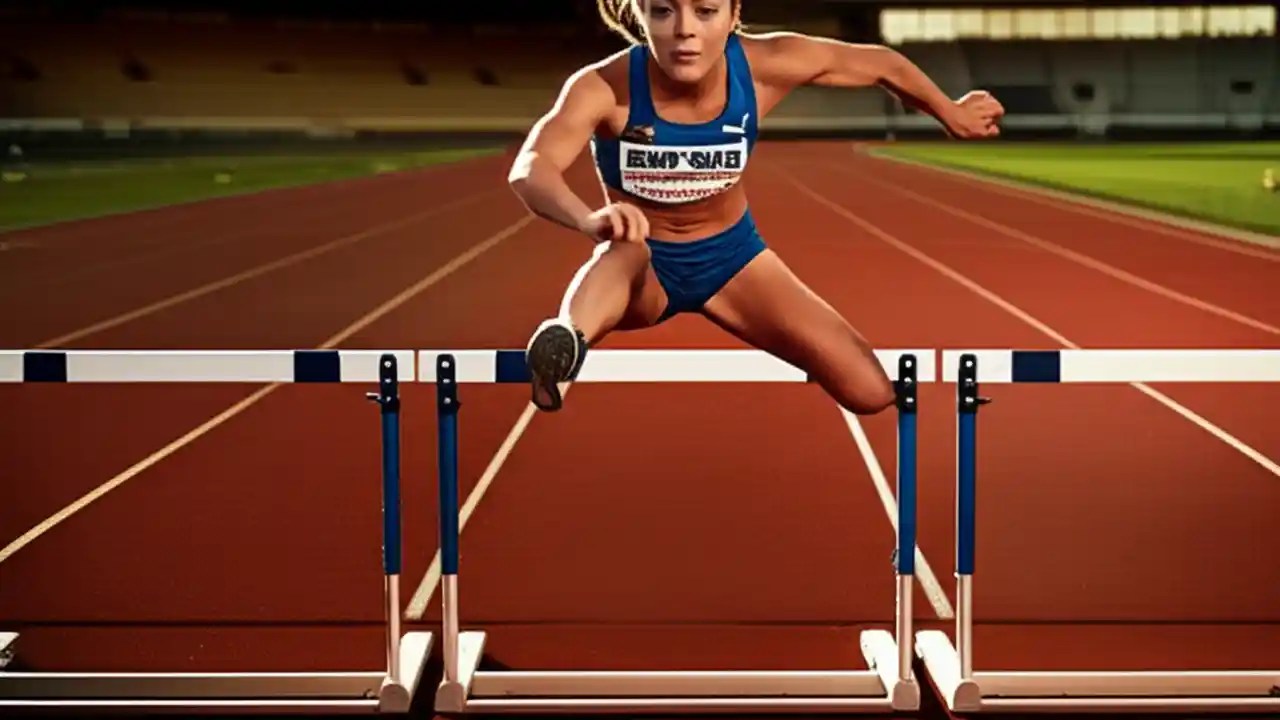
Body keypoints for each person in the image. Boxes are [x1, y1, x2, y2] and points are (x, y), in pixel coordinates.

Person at [508, 0, 1003, 412]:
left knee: (869, 393)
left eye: (705, 11)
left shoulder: (764, 66)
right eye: (662, 12)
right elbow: (532, 167)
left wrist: (950, 111)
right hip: (644, 270)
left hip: (735, 261)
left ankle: (571, 338)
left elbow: (879, 64)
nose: (685, 31)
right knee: (624, 248)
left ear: (733, 13)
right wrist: (588, 218)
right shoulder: (602, 86)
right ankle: (567, 340)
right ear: (640, 14)